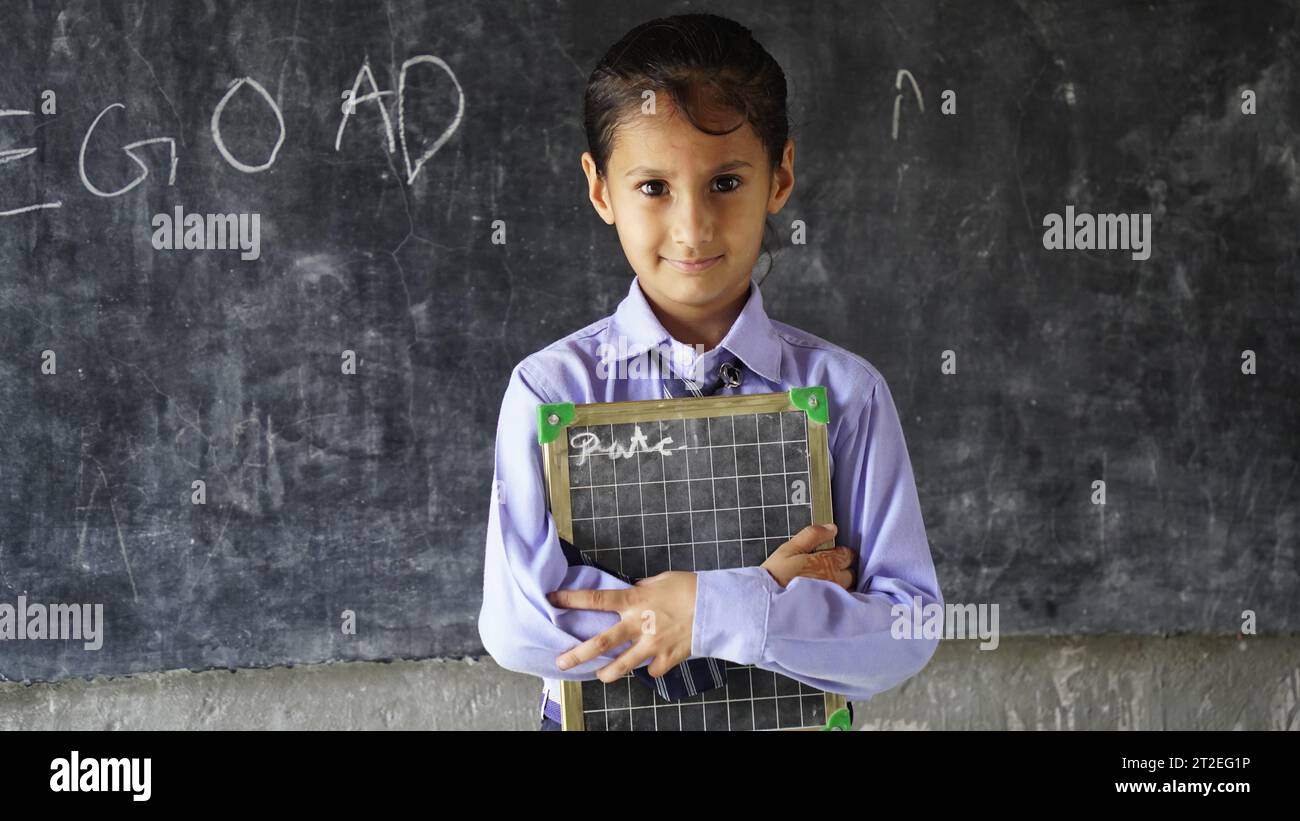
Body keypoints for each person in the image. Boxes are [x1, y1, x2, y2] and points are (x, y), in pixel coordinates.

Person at [478, 12, 943, 731]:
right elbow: (518, 625)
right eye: (654, 187)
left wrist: (700, 612)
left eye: (726, 181)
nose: (693, 227)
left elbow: (904, 632)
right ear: (601, 189)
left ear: (779, 176)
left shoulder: (847, 396)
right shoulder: (552, 390)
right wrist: (759, 597)